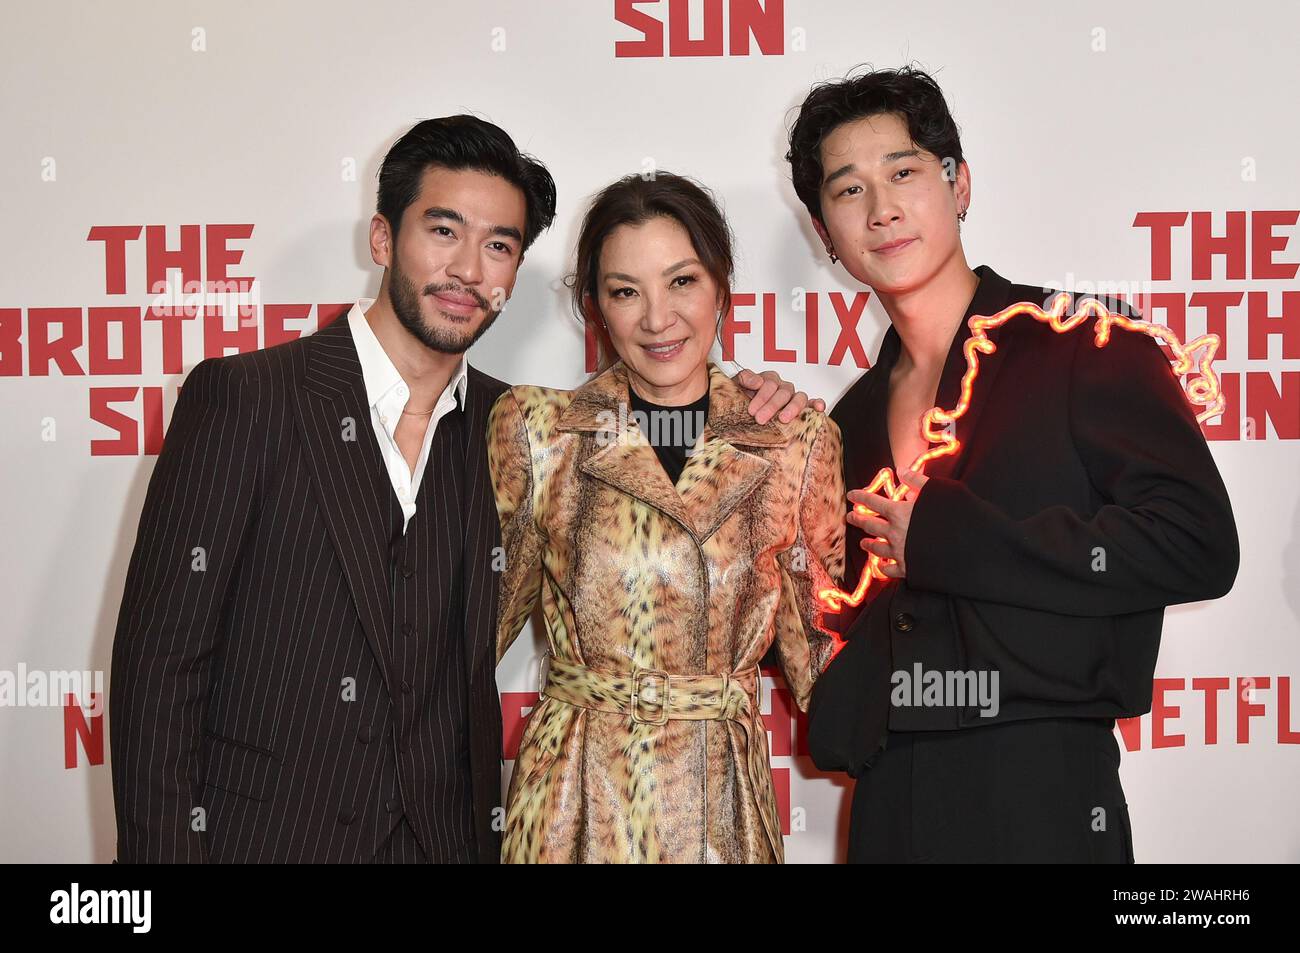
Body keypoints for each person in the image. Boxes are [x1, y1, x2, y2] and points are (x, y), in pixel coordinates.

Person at [109, 116, 812, 863]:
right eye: (443, 231)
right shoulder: (249, 399)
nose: (469, 270)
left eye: (499, 246)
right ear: (383, 238)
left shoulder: (518, 432)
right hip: (266, 841)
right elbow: (159, 668)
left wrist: (743, 412)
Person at [784, 66, 1240, 862]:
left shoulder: (1085, 343)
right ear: (825, 232)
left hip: (1043, 791)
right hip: (889, 795)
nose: (882, 208)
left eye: (904, 172)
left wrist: (956, 541)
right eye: (848, 191)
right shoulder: (845, 422)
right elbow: (828, 613)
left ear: (959, 185)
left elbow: (1197, 542)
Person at [487, 171, 847, 863]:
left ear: (721, 286)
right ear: (595, 306)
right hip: (570, 804)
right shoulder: (540, 434)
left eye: (681, 281)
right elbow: (472, 638)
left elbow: (823, 666)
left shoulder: (792, 441)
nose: (657, 318)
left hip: (720, 806)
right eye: (626, 291)